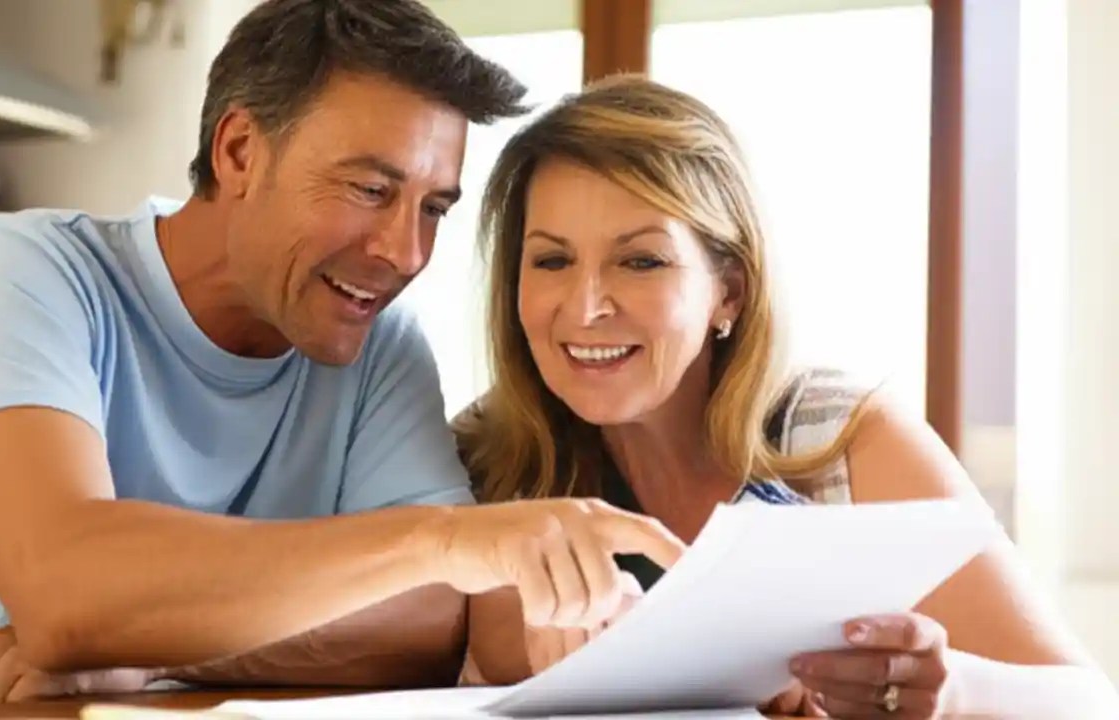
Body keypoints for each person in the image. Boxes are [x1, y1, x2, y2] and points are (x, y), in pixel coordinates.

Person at [0, 3, 685, 717]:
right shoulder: (25, 272)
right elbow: (67, 590)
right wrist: (443, 542)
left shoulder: (378, 343)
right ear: (240, 151)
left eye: (434, 207)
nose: (404, 251)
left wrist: (152, 654)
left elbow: (428, 621)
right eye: (369, 189)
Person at [453, 76, 1118, 717]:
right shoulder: (481, 461)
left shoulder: (839, 441)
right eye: (551, 261)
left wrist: (952, 693)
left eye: (641, 260)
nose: (587, 305)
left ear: (729, 292)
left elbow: (1085, 702)